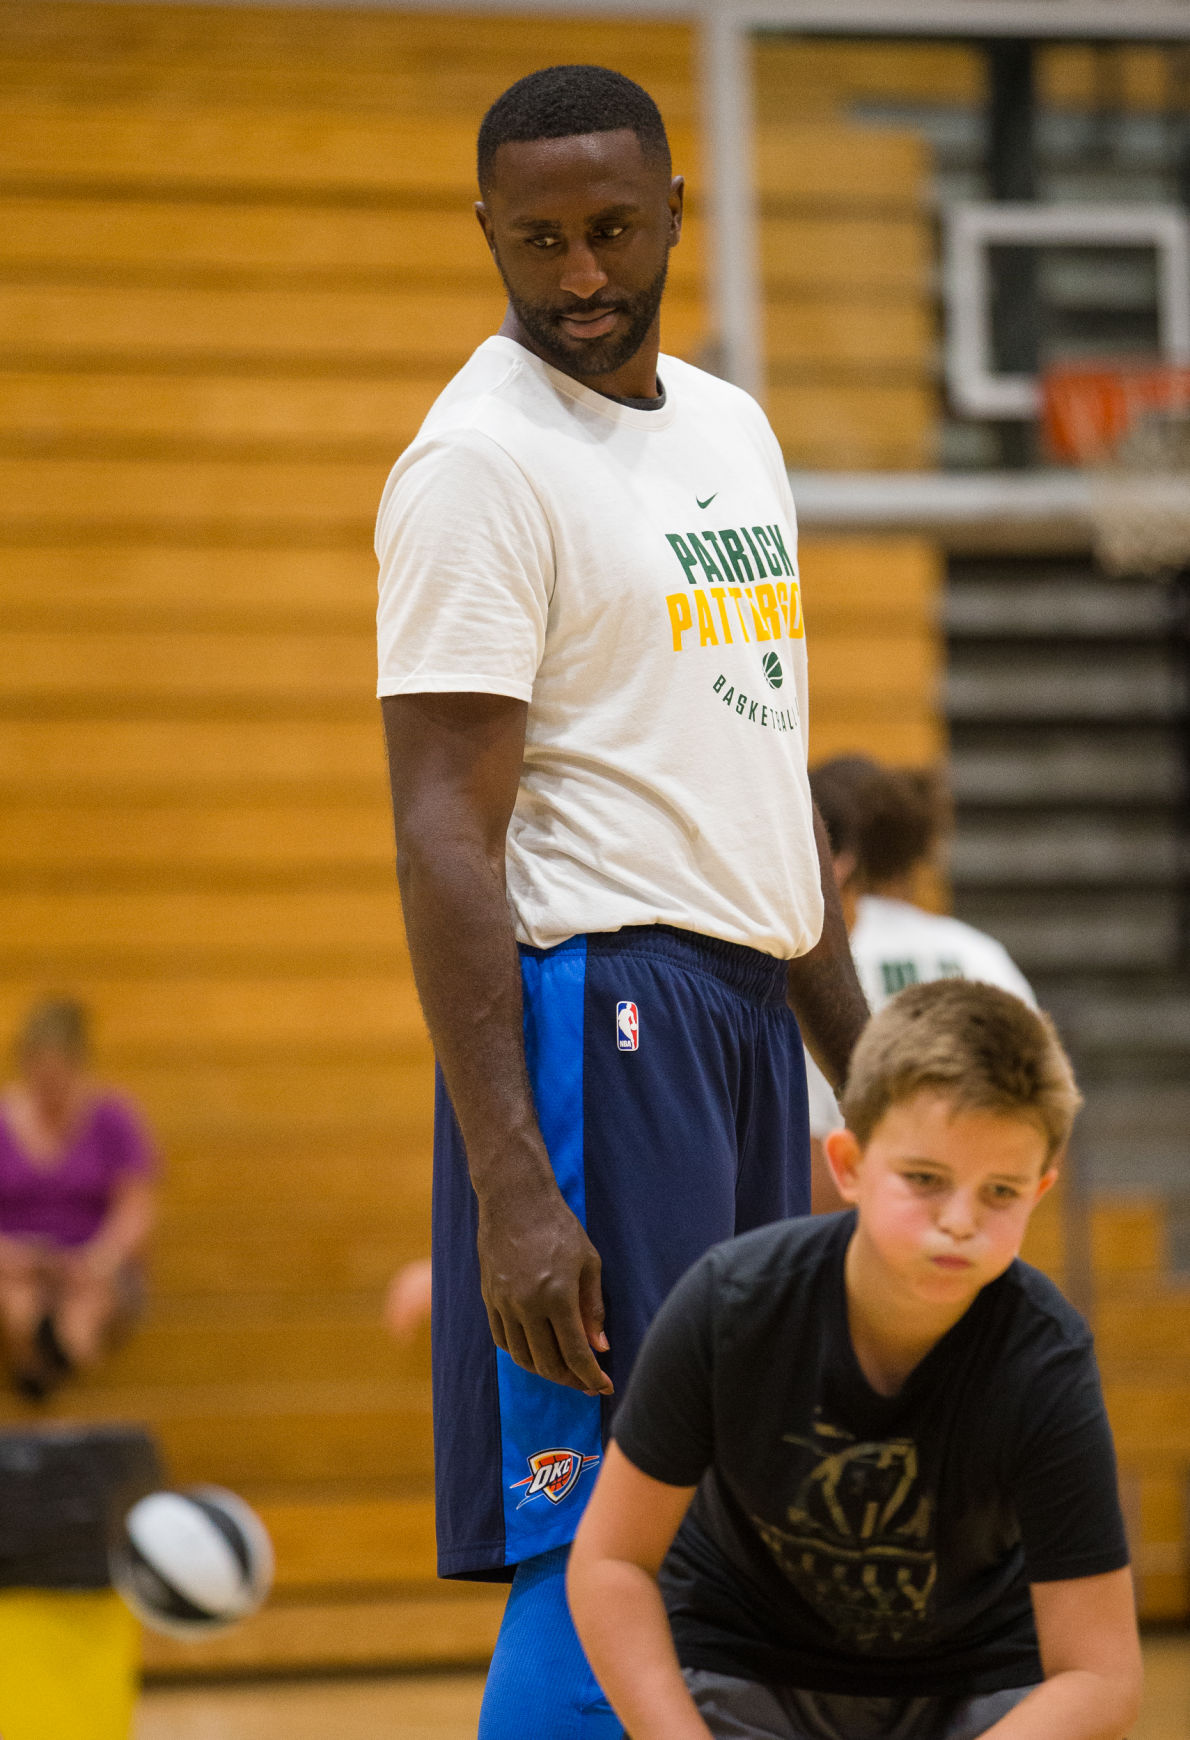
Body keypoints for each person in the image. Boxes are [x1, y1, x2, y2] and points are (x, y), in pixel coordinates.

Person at [375, 63, 868, 1737]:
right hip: (605, 1016)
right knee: (608, 1533)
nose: (580, 277)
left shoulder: (732, 430)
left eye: (611, 232)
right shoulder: (475, 467)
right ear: (487, 236)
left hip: (738, 1023)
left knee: (726, 1528)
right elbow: (443, 827)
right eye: (538, 242)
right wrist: (516, 1179)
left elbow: (762, 765)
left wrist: (862, 1067)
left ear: (675, 215)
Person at [568, 979, 1142, 1740]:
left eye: (999, 1191)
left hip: (973, 1690)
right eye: (925, 1180)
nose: (960, 1222)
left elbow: (1101, 1674)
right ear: (849, 1164)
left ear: (1039, 1191)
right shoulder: (732, 1305)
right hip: (748, 1672)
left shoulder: (1045, 1360)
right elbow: (610, 1563)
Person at [805, 756, 1036, 1210]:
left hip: (837, 1229)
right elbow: (1044, 1129)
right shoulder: (980, 954)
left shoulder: (810, 967)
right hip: (967, 1227)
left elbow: (809, 1166)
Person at [0, 999, 158, 1400]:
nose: (48, 1083)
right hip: (13, 1260)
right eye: (40, 1071)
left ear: (79, 1065)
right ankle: (46, 1357)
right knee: (15, 1298)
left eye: (58, 1073)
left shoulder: (113, 1117)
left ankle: (50, 1360)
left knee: (87, 1306)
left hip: (94, 1263)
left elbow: (136, 1207)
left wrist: (101, 1258)